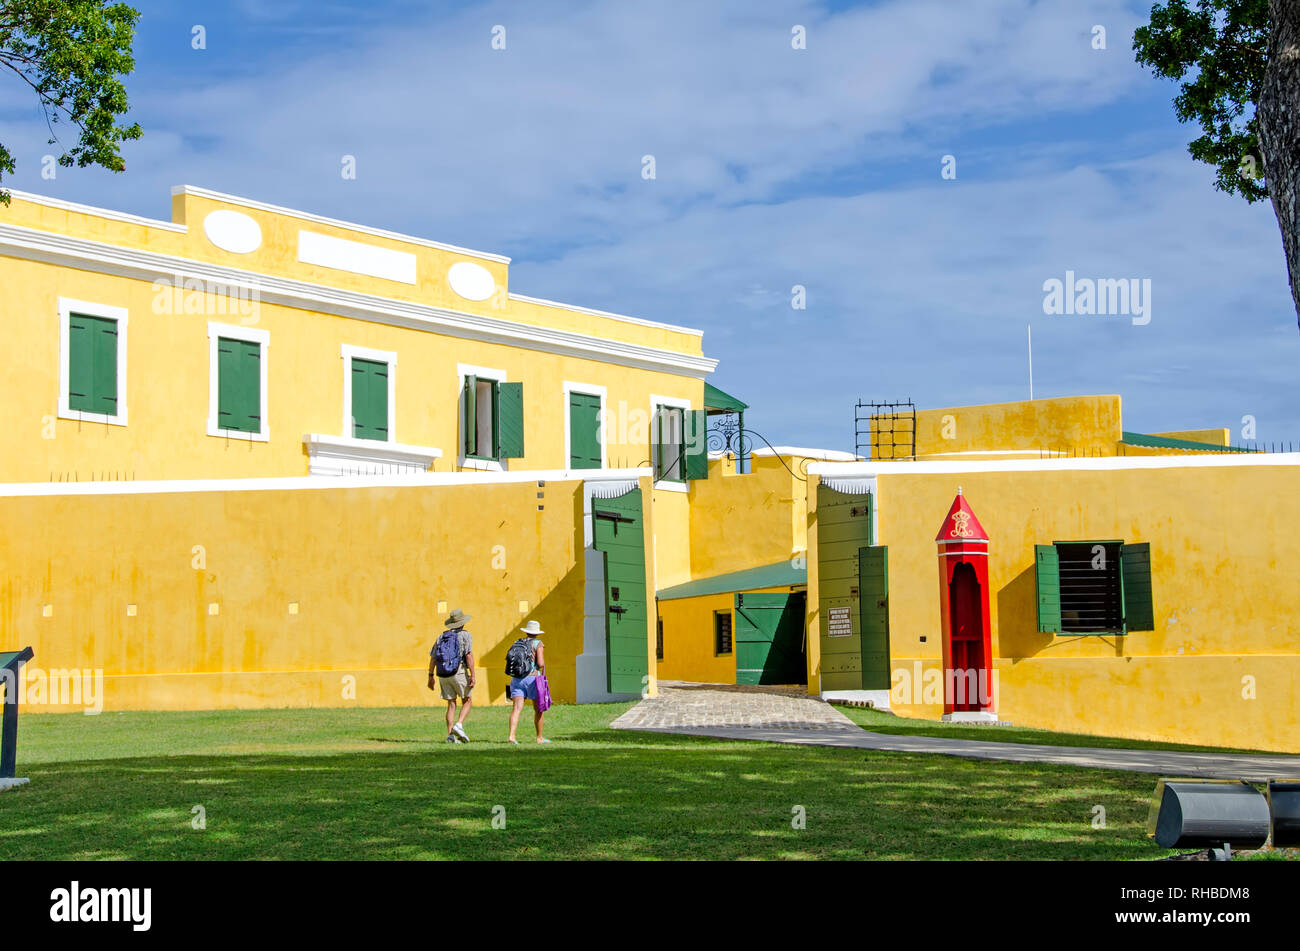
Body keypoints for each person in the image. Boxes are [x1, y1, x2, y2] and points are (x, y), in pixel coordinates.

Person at [430, 608, 475, 743]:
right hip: (458, 671)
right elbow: (468, 655)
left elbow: (433, 657)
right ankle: (459, 725)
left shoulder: (442, 636)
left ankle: (450, 735)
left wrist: (430, 675)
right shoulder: (465, 635)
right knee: (467, 700)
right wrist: (472, 675)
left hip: (443, 673)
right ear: (462, 622)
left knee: (451, 704)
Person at [506, 620, 549, 745]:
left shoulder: (518, 642)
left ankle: (511, 736)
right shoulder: (538, 643)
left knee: (516, 708)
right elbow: (540, 663)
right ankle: (539, 737)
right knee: (538, 709)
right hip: (532, 678)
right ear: (537, 632)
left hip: (517, 679)